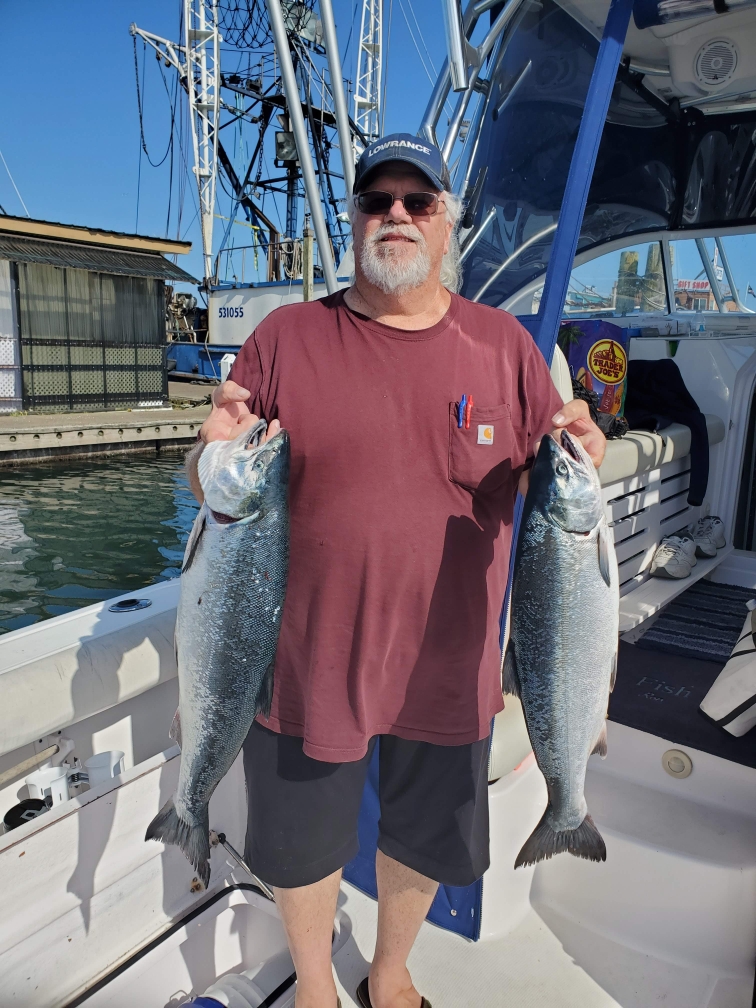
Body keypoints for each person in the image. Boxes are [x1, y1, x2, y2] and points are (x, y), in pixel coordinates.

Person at [187, 132, 605, 1008]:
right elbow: (217, 471)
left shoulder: (504, 347)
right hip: (305, 657)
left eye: (419, 203)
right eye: (379, 201)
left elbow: (551, 467)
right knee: (301, 846)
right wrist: (206, 453)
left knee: (421, 838)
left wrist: (578, 446)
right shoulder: (284, 337)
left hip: (449, 664)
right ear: (355, 217)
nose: (398, 217)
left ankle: (390, 972)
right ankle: (313, 985)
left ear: (449, 222)